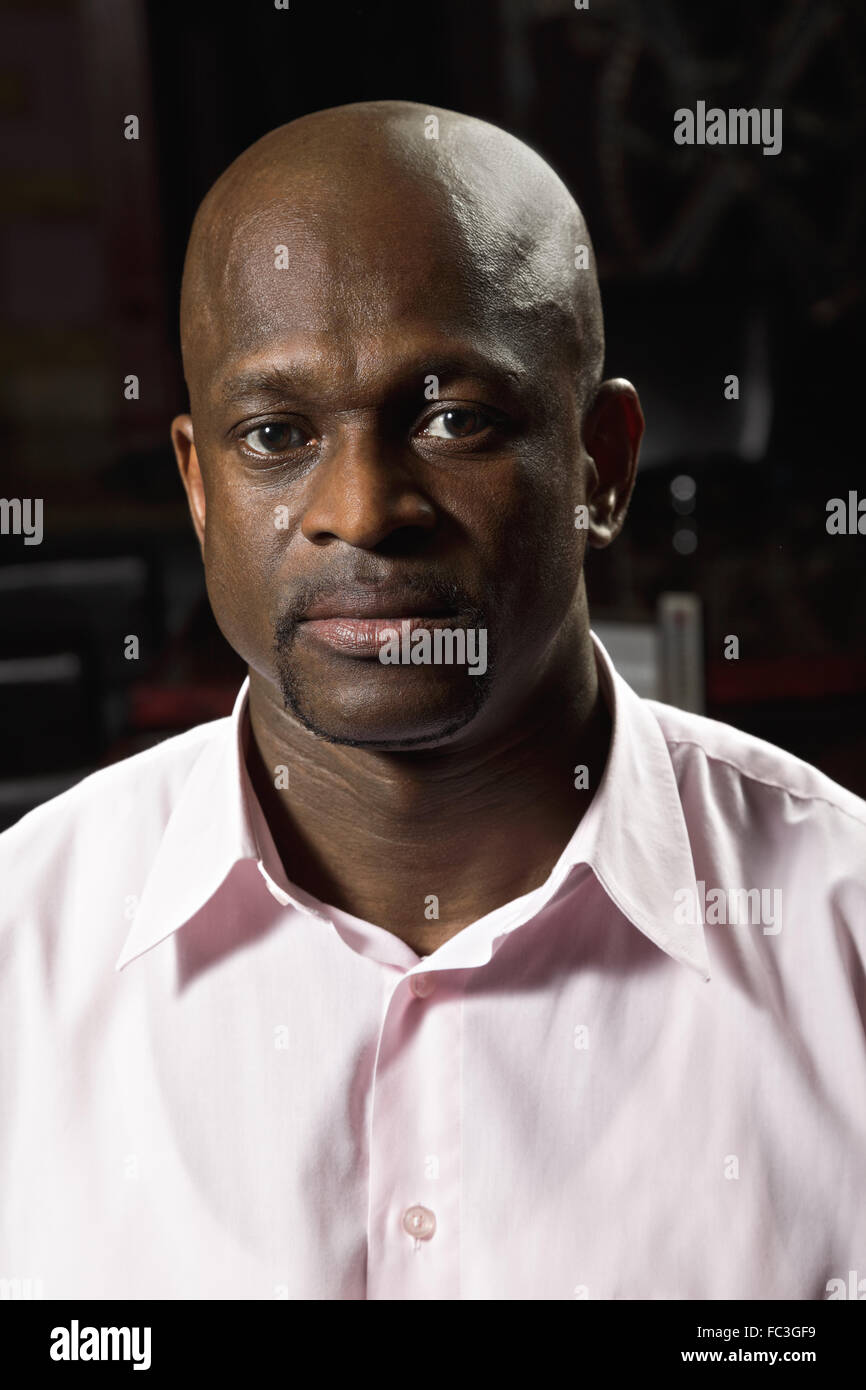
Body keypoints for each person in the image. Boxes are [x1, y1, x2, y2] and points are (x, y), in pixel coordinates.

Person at [1, 101, 864, 1301]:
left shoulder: (842, 934)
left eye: (454, 417)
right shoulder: (21, 954)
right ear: (198, 487)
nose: (360, 505)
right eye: (276, 434)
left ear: (601, 464)